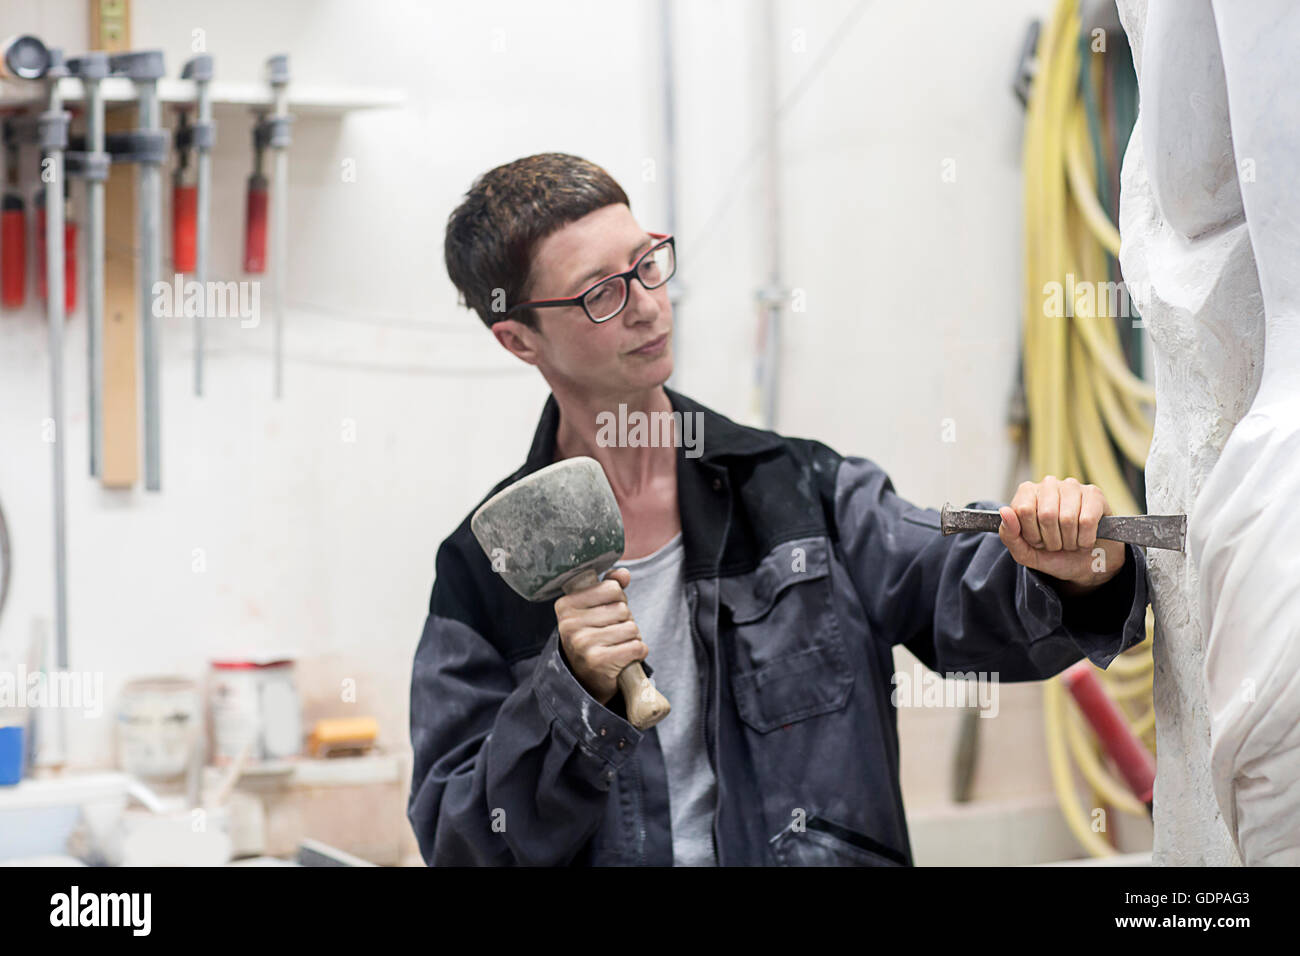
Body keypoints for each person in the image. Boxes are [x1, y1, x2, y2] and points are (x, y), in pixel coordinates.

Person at [408, 152, 1148, 866]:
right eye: (601, 292)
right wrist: (568, 696)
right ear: (519, 339)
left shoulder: (797, 491)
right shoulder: (485, 572)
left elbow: (954, 583)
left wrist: (1078, 565)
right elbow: (460, 841)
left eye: (646, 264)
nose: (647, 306)